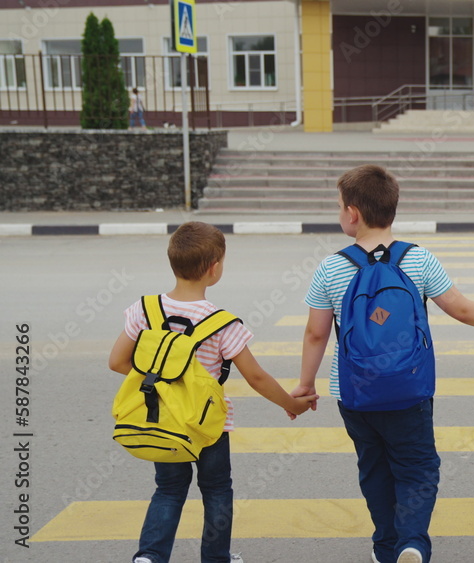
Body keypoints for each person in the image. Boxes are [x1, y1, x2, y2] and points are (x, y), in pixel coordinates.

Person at [291, 164, 474, 563]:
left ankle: (387, 547)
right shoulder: (418, 259)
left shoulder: (332, 267)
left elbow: (316, 333)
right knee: (418, 468)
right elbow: (462, 309)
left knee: (374, 470)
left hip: (353, 393)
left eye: (338, 207)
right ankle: (412, 544)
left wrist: (305, 384)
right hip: (410, 391)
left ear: (352, 213)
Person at [108, 221, 320, 563]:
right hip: (209, 426)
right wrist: (291, 402)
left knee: (169, 489)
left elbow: (117, 362)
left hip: (163, 421)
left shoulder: (144, 310)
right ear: (214, 268)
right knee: (217, 489)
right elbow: (256, 378)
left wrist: (165, 382)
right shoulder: (222, 323)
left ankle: (149, 556)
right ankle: (216, 557)